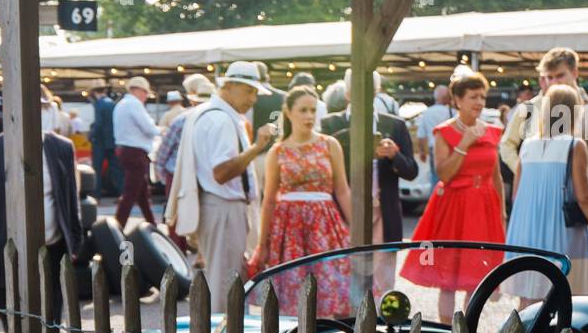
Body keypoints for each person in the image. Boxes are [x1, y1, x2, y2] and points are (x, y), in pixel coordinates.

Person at [0, 89, 82, 331]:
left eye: (42, 109)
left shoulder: (61, 148)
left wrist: (75, 242)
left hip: (51, 250)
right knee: (15, 330)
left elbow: (70, 199)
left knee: (51, 327)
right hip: (5, 253)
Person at [400, 67, 505, 323]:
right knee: (448, 275)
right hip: (454, 206)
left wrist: (502, 210)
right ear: (457, 99)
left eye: (482, 96)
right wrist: (464, 144)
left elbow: (496, 175)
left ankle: (469, 330)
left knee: (476, 274)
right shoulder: (443, 131)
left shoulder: (492, 131)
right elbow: (444, 174)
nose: (479, 102)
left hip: (483, 205)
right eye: (473, 96)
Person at [166, 61, 275, 304]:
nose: (253, 99)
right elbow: (222, 172)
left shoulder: (211, 114)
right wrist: (256, 148)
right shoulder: (221, 120)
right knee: (227, 285)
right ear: (231, 86)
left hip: (217, 206)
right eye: (250, 91)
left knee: (225, 281)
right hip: (223, 207)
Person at [506, 84, 588, 307]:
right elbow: (585, 197)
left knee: (528, 300)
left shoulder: (527, 145)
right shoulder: (575, 145)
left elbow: (516, 195)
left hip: (525, 230)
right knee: (568, 300)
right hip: (562, 232)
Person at [253, 86, 351, 316]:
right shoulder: (277, 152)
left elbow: (343, 190)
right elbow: (268, 200)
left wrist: (353, 228)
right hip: (288, 228)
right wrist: (263, 243)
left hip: (325, 225)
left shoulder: (330, 144)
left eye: (313, 110)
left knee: (329, 285)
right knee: (293, 290)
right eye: (303, 110)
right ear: (288, 112)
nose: (309, 116)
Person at [321, 68, 417, 296]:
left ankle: (382, 327)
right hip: (344, 209)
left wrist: (395, 155)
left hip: (384, 209)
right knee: (344, 277)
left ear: (377, 92)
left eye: (368, 90)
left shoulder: (394, 125)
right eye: (356, 90)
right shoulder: (330, 125)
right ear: (347, 94)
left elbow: (411, 171)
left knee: (384, 281)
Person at [500, 48, 588, 204]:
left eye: (560, 75)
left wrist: (584, 203)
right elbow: (506, 145)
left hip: (573, 199)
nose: (554, 82)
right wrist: (525, 171)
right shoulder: (530, 108)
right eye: (549, 77)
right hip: (534, 194)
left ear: (574, 73)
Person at [156, 76, 214, 252]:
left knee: (178, 216)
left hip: (180, 175)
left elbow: (164, 149)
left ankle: (178, 252)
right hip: (201, 175)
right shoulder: (216, 119)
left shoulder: (182, 119)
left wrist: (160, 172)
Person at [113, 76, 158, 228]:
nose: (146, 97)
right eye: (145, 93)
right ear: (140, 90)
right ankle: (118, 226)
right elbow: (149, 128)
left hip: (127, 150)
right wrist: (159, 129)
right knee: (132, 192)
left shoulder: (122, 104)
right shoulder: (134, 104)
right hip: (135, 152)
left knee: (141, 193)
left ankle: (151, 224)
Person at [415, 85, 451, 192]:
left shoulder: (427, 112)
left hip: (433, 148)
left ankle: (435, 203)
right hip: (450, 149)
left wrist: (422, 151)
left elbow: (421, 135)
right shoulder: (452, 112)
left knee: (435, 179)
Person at [88, 82, 120, 198]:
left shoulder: (99, 104)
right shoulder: (112, 103)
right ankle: (122, 193)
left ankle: (96, 195)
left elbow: (98, 123)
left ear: (94, 92)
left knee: (97, 169)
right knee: (116, 169)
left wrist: (91, 136)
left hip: (100, 142)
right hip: (112, 141)